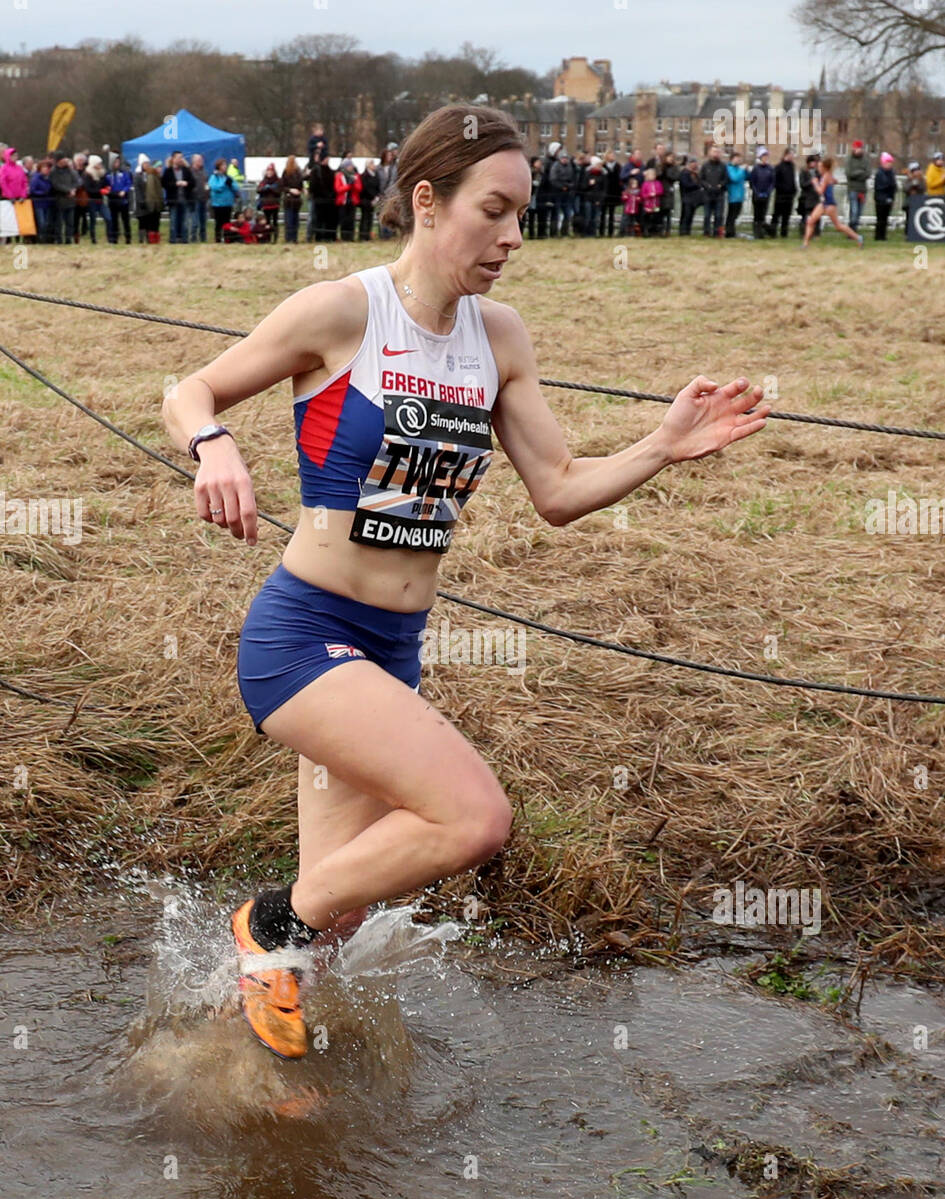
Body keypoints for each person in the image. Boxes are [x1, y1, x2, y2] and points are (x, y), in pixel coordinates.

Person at [160, 102, 771, 1059]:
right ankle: (265, 925)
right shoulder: (343, 311)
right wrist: (213, 448)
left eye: (523, 215)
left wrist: (661, 443)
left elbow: (559, 491)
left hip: (392, 651)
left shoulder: (500, 338)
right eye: (494, 211)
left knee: (339, 927)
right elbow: (187, 389)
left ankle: (234, 1068)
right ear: (428, 202)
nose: (513, 238)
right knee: (473, 818)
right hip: (302, 636)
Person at [802, 155, 864, 247]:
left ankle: (858, 237)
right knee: (810, 221)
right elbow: (834, 181)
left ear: (824, 168)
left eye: (819, 167)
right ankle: (805, 244)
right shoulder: (826, 176)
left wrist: (815, 183)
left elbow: (820, 191)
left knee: (838, 226)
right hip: (823, 204)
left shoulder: (826, 176)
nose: (818, 169)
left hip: (829, 204)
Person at [162, 151, 194, 244]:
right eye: (179, 157)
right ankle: (173, 240)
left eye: (181, 157)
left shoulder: (186, 170)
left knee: (185, 222)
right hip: (173, 200)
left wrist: (187, 183)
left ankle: (184, 240)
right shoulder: (168, 171)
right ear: (173, 159)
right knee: (173, 221)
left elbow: (193, 182)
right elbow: (164, 184)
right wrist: (175, 184)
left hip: (185, 199)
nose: (180, 159)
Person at [49, 151, 78, 243]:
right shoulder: (53, 172)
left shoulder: (70, 170)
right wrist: (67, 190)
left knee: (70, 222)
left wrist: (73, 189)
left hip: (71, 200)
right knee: (59, 223)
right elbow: (56, 184)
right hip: (59, 200)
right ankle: (59, 239)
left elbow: (77, 180)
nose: (66, 160)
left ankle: (68, 239)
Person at [82, 154, 110, 244]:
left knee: (108, 218)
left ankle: (110, 238)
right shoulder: (87, 174)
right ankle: (93, 239)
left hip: (101, 200)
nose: (100, 165)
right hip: (91, 200)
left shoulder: (102, 173)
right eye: (99, 163)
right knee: (93, 221)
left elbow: (105, 183)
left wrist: (107, 187)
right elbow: (88, 189)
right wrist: (100, 191)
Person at [748, 147, 775, 238]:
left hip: (766, 195)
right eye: (763, 156)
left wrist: (768, 192)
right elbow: (752, 182)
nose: (765, 158)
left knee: (763, 215)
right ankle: (756, 233)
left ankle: (762, 232)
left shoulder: (770, 168)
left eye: (766, 156)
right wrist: (757, 192)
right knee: (757, 215)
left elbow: (772, 182)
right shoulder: (756, 168)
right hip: (756, 195)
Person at [700, 144, 726, 236]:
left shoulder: (722, 166)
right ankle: (706, 232)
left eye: (717, 152)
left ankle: (717, 232)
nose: (716, 154)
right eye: (714, 151)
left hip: (719, 195)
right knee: (707, 215)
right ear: (710, 153)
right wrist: (707, 186)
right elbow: (701, 179)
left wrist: (721, 185)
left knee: (719, 216)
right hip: (707, 194)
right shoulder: (705, 165)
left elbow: (726, 179)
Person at [136, 158, 164, 244]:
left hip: (156, 204)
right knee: (153, 224)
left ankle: (155, 240)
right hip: (154, 205)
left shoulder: (157, 176)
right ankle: (152, 241)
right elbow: (152, 191)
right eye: (159, 167)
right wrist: (154, 204)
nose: (161, 168)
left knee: (155, 224)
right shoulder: (152, 176)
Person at [107, 157, 133, 244]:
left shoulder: (124, 173)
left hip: (123, 200)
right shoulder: (108, 174)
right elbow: (106, 185)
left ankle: (128, 237)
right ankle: (114, 238)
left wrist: (124, 191)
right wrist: (110, 192)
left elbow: (128, 183)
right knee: (114, 220)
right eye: (115, 162)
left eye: (118, 162)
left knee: (125, 220)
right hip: (113, 199)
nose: (116, 164)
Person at [845, 140, 870, 232]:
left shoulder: (865, 160)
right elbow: (849, 173)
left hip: (862, 190)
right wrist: (860, 172)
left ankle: (854, 229)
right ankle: (851, 229)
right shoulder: (849, 159)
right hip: (853, 189)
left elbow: (868, 173)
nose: (859, 150)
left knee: (859, 211)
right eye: (857, 148)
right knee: (854, 211)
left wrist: (857, 174)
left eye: (860, 148)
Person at [334, 156, 361, 241]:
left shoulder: (356, 175)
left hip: (352, 201)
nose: (351, 167)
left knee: (351, 220)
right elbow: (338, 189)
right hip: (343, 201)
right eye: (349, 166)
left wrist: (354, 184)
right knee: (344, 221)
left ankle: (351, 237)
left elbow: (359, 188)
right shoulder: (339, 176)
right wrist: (349, 186)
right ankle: (344, 237)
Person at [208, 158, 235, 242]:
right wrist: (224, 184)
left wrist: (231, 185)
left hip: (228, 203)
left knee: (227, 222)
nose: (225, 167)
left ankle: (227, 238)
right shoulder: (214, 177)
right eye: (223, 165)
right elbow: (214, 187)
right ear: (218, 166)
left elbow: (236, 187)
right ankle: (218, 239)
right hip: (218, 204)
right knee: (218, 223)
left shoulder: (228, 177)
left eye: (225, 165)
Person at [772, 148, 797, 236]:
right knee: (777, 214)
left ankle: (784, 233)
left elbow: (792, 179)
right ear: (786, 155)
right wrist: (781, 188)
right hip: (780, 195)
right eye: (791, 155)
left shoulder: (792, 166)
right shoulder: (778, 167)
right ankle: (773, 232)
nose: (792, 157)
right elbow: (775, 181)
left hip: (790, 195)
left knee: (786, 215)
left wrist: (794, 190)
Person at [29, 157, 55, 242]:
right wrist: (43, 193)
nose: (46, 169)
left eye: (48, 168)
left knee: (48, 223)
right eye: (44, 168)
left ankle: (47, 238)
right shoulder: (36, 178)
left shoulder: (49, 178)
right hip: (39, 203)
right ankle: (41, 238)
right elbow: (32, 190)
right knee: (41, 223)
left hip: (48, 203)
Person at [873, 152, 897, 241]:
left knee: (885, 219)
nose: (889, 164)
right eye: (888, 162)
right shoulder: (879, 173)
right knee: (880, 219)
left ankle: (883, 235)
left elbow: (893, 186)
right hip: (881, 199)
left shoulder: (891, 173)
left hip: (889, 199)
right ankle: (878, 236)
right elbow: (881, 186)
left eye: (890, 162)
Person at [256, 161, 282, 242]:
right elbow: (258, 190)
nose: (269, 173)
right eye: (268, 171)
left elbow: (279, 191)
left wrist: (271, 189)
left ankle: (275, 238)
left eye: (271, 171)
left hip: (275, 205)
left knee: (274, 222)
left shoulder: (278, 181)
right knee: (266, 222)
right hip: (266, 205)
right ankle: (267, 238)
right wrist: (264, 189)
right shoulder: (263, 181)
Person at [281, 155, 304, 243]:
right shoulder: (286, 172)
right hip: (289, 200)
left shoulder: (299, 173)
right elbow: (282, 186)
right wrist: (290, 190)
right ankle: (289, 238)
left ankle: (294, 238)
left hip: (297, 200)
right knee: (289, 220)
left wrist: (301, 190)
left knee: (295, 220)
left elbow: (301, 184)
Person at [798, 153, 822, 237]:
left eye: (814, 162)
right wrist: (811, 182)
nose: (813, 164)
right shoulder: (804, 172)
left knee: (817, 216)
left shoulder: (817, 172)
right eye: (812, 162)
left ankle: (816, 233)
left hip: (815, 197)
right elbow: (802, 185)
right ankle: (804, 232)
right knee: (806, 217)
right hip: (806, 198)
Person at [724, 151, 746, 237]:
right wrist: (742, 170)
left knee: (736, 214)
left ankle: (732, 231)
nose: (739, 160)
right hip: (732, 195)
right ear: (732, 159)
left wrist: (746, 171)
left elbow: (746, 177)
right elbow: (734, 178)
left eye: (739, 159)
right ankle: (729, 232)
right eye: (737, 158)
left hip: (740, 195)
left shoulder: (739, 169)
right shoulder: (729, 168)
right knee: (731, 215)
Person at [678, 159, 702, 235]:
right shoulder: (684, 173)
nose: (695, 165)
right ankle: (683, 230)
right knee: (686, 214)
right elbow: (686, 184)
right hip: (686, 197)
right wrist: (696, 185)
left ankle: (688, 230)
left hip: (694, 197)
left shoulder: (695, 174)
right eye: (693, 164)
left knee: (691, 214)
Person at [903, 160, 926, 238]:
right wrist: (912, 184)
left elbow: (923, 188)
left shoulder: (922, 180)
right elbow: (905, 189)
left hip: (919, 202)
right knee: (908, 219)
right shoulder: (907, 180)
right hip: (909, 203)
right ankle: (907, 234)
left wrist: (917, 185)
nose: (917, 172)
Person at [189, 153, 209, 243]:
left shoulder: (204, 171)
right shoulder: (189, 172)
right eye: (199, 160)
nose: (202, 161)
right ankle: (193, 238)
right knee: (195, 221)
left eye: (202, 160)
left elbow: (207, 183)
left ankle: (203, 239)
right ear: (194, 161)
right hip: (194, 199)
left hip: (203, 199)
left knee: (203, 221)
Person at [640, 165, 663, 237]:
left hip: (656, 204)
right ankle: (646, 231)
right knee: (647, 218)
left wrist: (655, 193)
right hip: (648, 205)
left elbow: (661, 191)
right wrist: (649, 195)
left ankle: (655, 231)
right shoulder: (645, 184)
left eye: (653, 175)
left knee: (656, 217)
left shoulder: (658, 183)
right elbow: (643, 194)